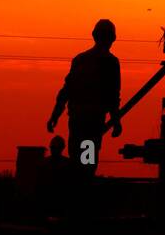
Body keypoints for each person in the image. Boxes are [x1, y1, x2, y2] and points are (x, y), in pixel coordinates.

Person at [47, 19, 122, 176]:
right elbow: (113, 96)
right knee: (86, 165)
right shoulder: (110, 63)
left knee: (77, 160)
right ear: (112, 38)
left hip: (77, 121)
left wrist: (55, 115)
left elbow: (65, 91)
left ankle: (78, 188)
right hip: (91, 124)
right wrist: (116, 121)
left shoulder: (80, 59)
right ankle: (82, 191)